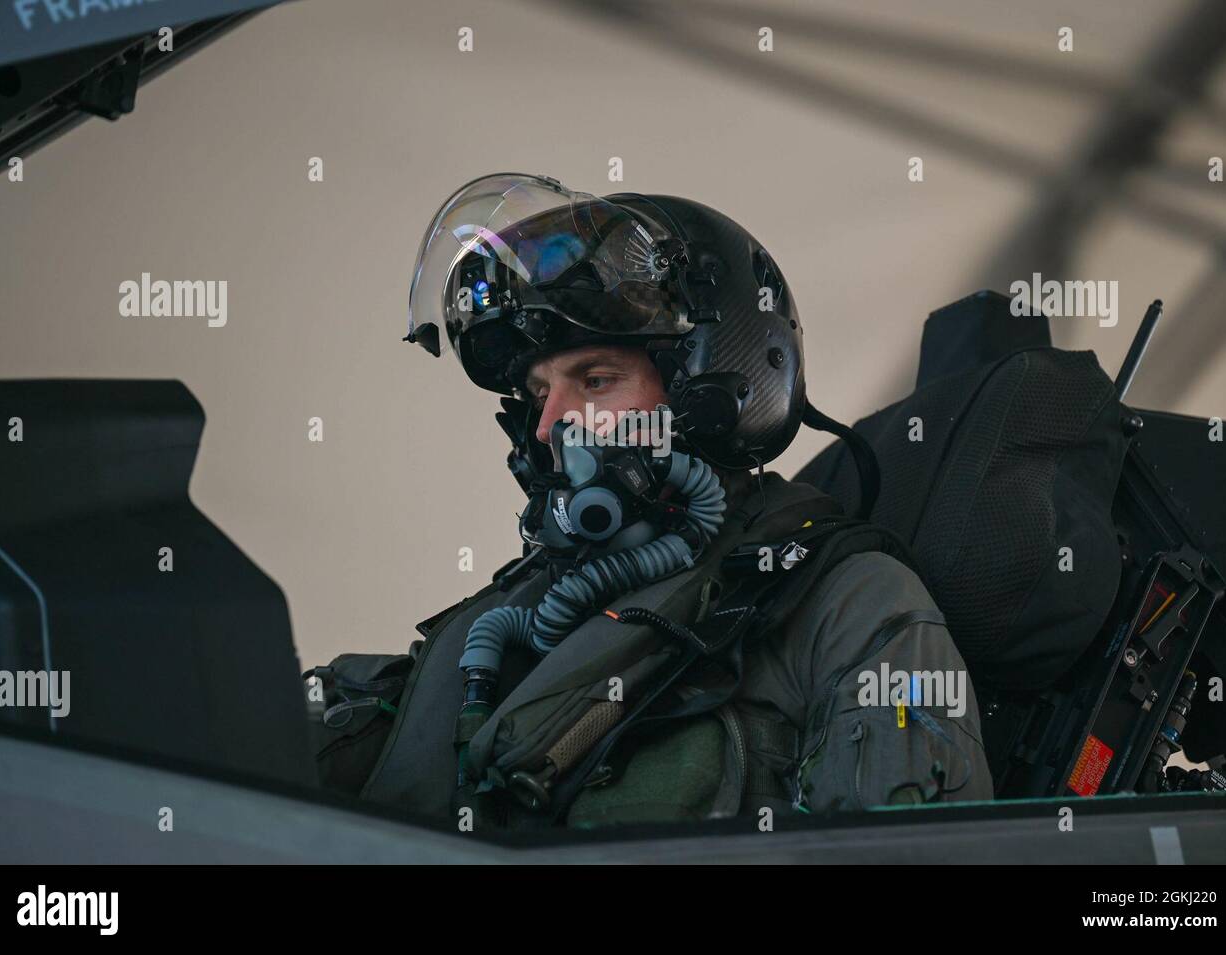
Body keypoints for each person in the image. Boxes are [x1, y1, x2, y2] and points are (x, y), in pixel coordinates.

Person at [309, 173, 993, 828]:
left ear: (715, 389)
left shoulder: (850, 603)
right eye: (539, 393)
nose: (549, 426)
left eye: (596, 378)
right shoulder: (528, 609)